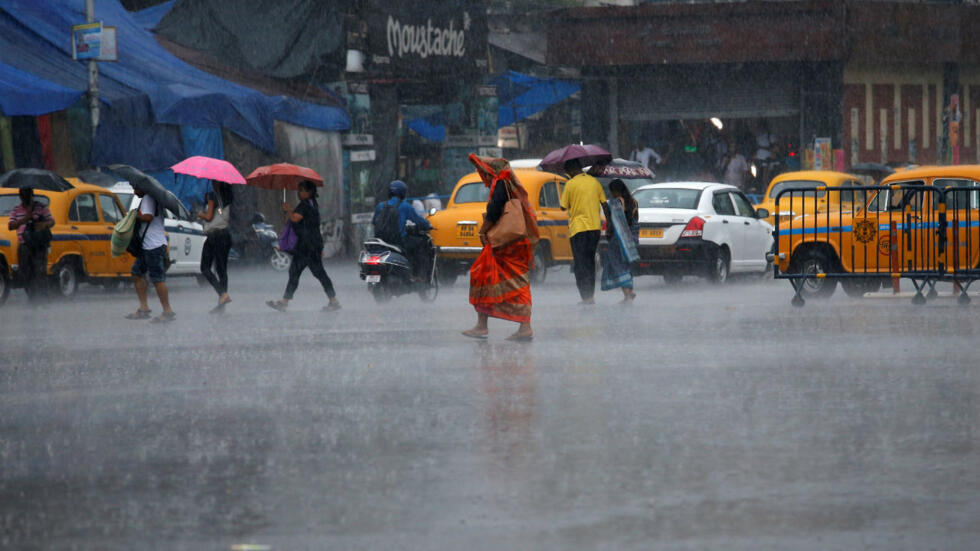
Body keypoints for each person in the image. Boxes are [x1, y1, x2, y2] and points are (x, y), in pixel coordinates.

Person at [463, 155, 537, 341]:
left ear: (491, 172)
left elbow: (495, 210)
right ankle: (518, 326)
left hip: (504, 244)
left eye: (484, 172)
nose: (484, 177)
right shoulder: (508, 184)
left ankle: (485, 325)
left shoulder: (501, 183)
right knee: (513, 282)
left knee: (484, 276)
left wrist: (483, 230)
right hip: (511, 243)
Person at [266, 180, 341, 312]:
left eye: (301, 190)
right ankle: (333, 300)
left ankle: (284, 302)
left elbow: (295, 218)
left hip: (306, 246)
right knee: (317, 273)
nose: (298, 193)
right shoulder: (313, 203)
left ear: (309, 192)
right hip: (313, 244)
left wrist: (288, 210)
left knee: (298, 273)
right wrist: (289, 212)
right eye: (298, 190)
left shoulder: (305, 205)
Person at [560, 158, 607, 305]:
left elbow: (563, 206)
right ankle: (590, 295)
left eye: (568, 171)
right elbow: (605, 205)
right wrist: (610, 226)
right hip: (594, 229)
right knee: (590, 261)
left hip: (578, 229)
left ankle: (585, 296)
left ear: (572, 169)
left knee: (580, 264)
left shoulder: (570, 184)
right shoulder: (594, 182)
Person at [125, 188, 175, 323]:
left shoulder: (148, 198)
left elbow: (148, 217)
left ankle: (167, 311)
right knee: (136, 273)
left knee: (157, 279)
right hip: (148, 245)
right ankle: (144, 308)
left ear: (141, 185)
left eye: (135, 187)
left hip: (153, 246)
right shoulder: (150, 197)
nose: (134, 190)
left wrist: (135, 215)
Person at [372, 180, 433, 281]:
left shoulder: (380, 206)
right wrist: (428, 225)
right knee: (421, 244)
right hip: (398, 241)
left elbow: (374, 221)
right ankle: (417, 274)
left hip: (381, 241)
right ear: (403, 193)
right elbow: (418, 221)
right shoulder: (405, 206)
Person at [7, 187, 53, 302]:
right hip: (24, 245)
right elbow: (11, 226)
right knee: (25, 273)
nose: (25, 198)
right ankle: (32, 297)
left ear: (32, 195)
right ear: (20, 197)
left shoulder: (41, 207)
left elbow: (52, 221)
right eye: (23, 195)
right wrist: (25, 219)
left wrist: (43, 225)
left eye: (27, 195)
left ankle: (42, 299)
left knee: (40, 272)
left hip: (39, 245)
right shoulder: (16, 209)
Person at [600, 179, 639, 304]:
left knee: (617, 264)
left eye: (612, 191)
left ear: (616, 190)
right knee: (626, 264)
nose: (611, 194)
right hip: (632, 237)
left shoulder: (615, 202)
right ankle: (628, 292)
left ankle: (628, 294)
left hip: (619, 238)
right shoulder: (634, 202)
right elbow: (635, 220)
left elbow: (614, 222)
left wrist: (606, 208)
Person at [197, 181, 233, 313]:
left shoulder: (212, 196)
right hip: (225, 235)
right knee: (221, 270)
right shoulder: (227, 196)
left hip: (214, 235)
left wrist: (201, 214)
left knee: (205, 267)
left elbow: (208, 217)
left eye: (213, 180)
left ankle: (222, 294)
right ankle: (222, 305)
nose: (211, 182)